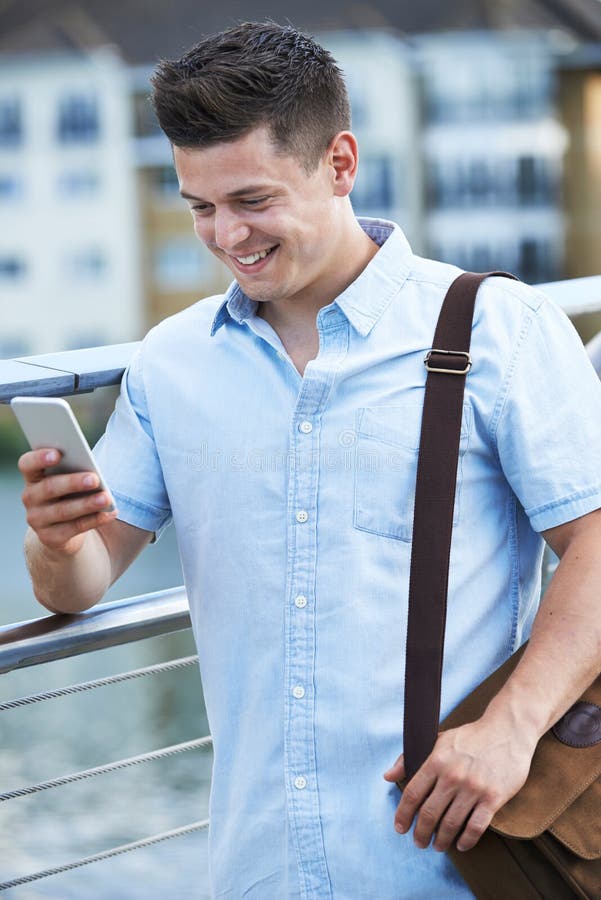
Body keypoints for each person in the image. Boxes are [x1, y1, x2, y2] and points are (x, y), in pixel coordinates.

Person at [18, 21, 601, 900]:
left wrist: (512, 730)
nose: (226, 235)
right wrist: (58, 546)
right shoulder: (171, 362)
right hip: (257, 869)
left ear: (339, 163)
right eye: (199, 207)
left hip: (463, 864)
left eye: (251, 200)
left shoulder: (493, 327)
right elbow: (81, 586)